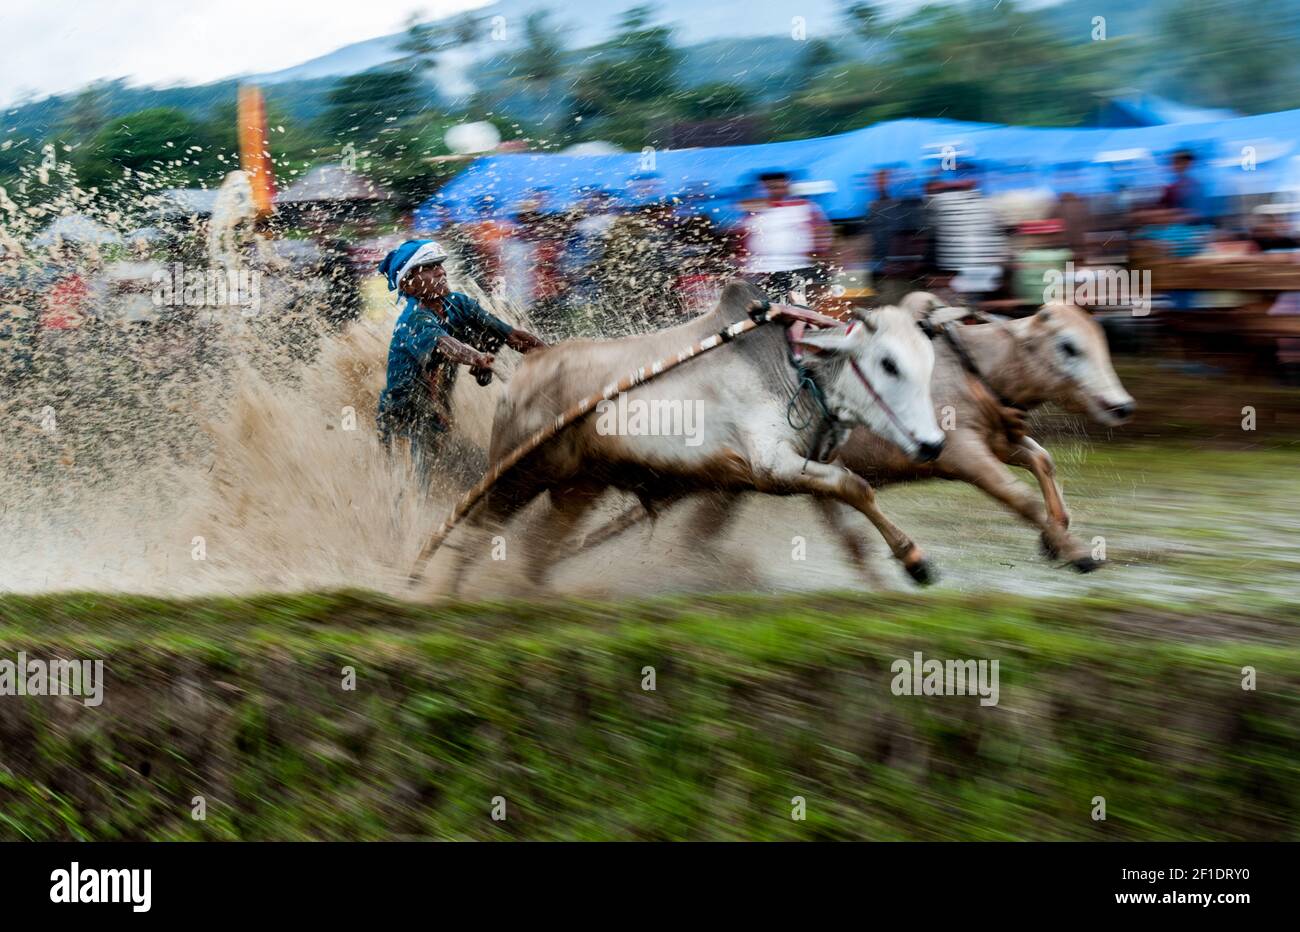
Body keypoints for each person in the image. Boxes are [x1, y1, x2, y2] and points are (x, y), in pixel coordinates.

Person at [376, 239, 547, 481]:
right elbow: (447, 346)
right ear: (409, 284)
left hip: (438, 418)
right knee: (416, 490)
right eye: (429, 267)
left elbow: (512, 336)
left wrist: (558, 356)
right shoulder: (413, 319)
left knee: (486, 475)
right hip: (403, 422)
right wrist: (478, 359)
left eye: (440, 265)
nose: (441, 271)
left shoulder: (458, 304)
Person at [739, 169, 832, 303]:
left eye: (780, 186)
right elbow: (742, 241)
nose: (776, 190)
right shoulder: (752, 211)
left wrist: (823, 261)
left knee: (799, 310)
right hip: (763, 272)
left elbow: (822, 235)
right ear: (763, 188)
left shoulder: (805, 207)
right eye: (771, 187)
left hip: (796, 269)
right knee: (766, 311)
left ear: (787, 186)